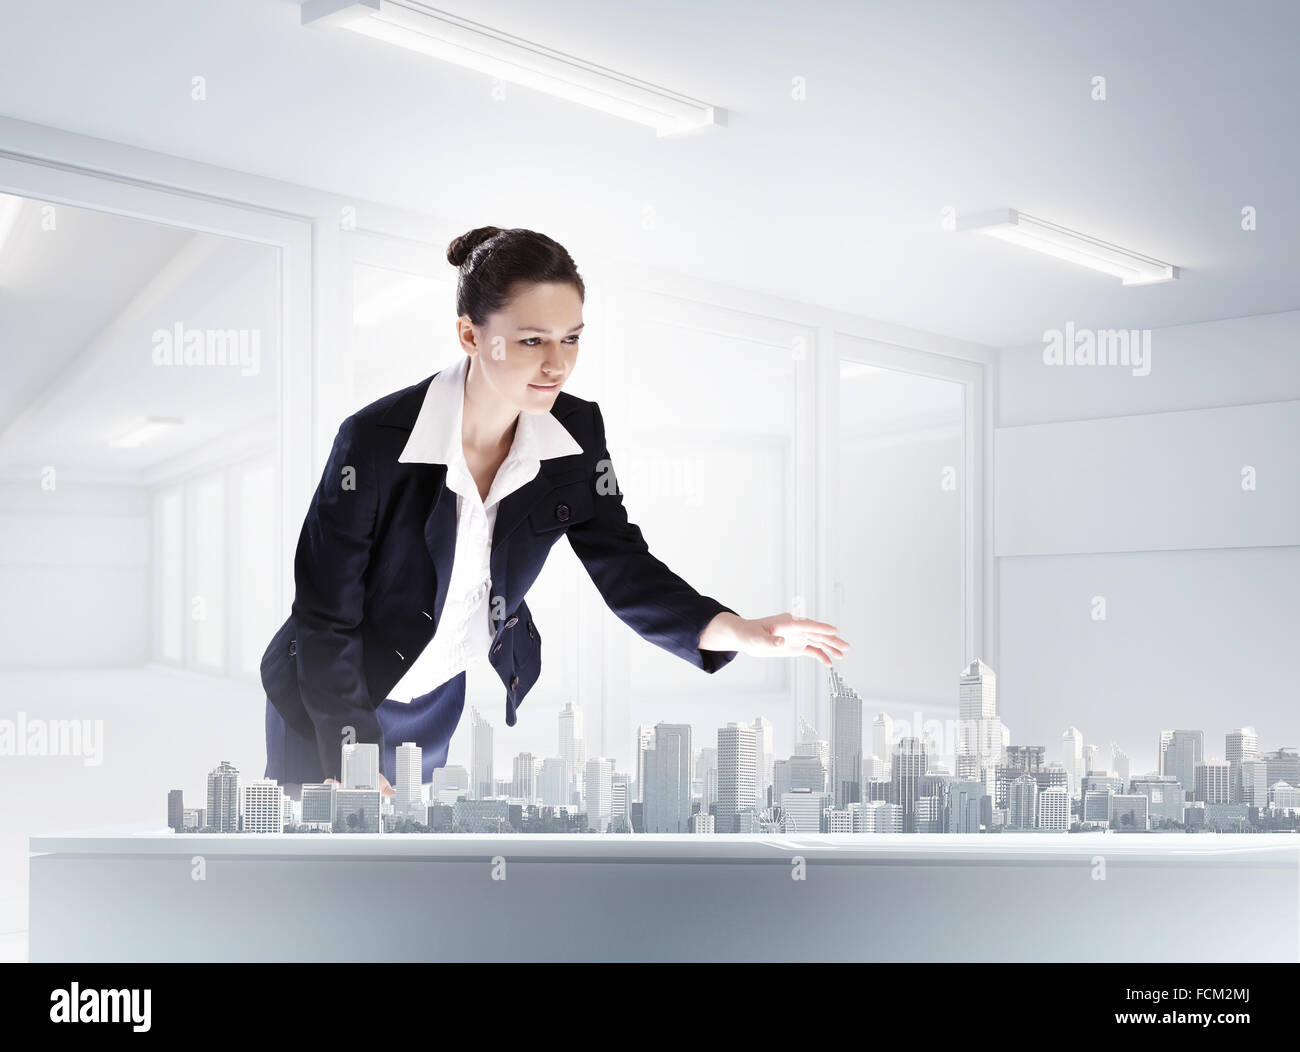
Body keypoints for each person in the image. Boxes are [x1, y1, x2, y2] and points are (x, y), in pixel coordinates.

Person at [261, 226, 849, 800]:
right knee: (324, 861)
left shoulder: (577, 430)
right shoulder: (373, 439)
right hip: (326, 696)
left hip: (436, 696)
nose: (557, 364)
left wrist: (732, 629)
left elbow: (621, 560)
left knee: (403, 864)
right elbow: (324, 613)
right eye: (531, 340)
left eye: (571, 339)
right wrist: (350, 755)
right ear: (470, 335)